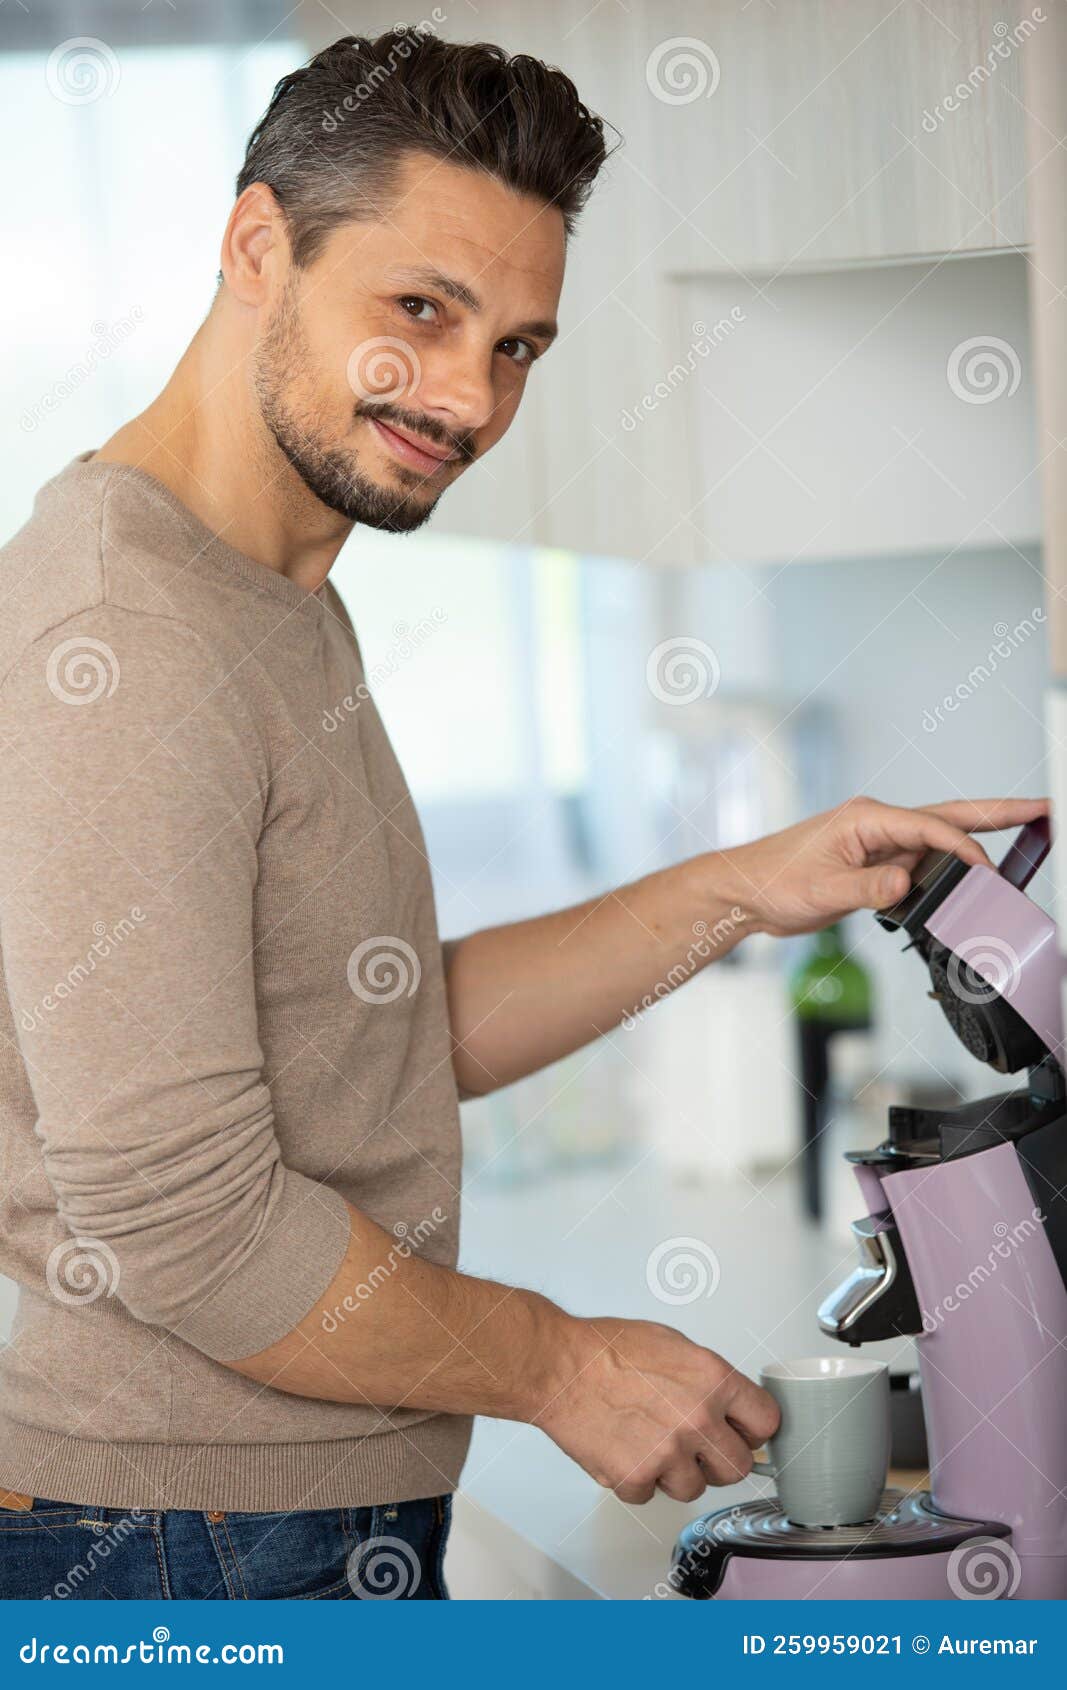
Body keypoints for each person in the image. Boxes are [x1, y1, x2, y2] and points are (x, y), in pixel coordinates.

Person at [0, 30, 1047, 1600]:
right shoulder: (126, 641)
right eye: (421, 311)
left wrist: (752, 885)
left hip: (265, 1520)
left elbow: (379, 1024)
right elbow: (184, 1218)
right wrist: (557, 1364)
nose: (469, 398)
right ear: (255, 250)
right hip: (180, 1548)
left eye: (518, 347)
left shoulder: (266, 590)